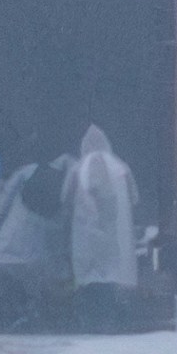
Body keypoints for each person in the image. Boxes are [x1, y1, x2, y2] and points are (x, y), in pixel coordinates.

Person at [63, 122, 144, 331]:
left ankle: (93, 321)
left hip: (87, 231)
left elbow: (66, 198)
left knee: (90, 276)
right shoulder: (121, 166)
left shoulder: (79, 166)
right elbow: (135, 198)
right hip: (116, 233)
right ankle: (110, 320)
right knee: (112, 274)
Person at [0, 152, 60, 332]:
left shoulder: (23, 175)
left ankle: (14, 318)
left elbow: (0, 211)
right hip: (33, 262)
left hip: (1, 257)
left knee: (2, 288)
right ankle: (25, 316)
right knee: (29, 292)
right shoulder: (61, 179)